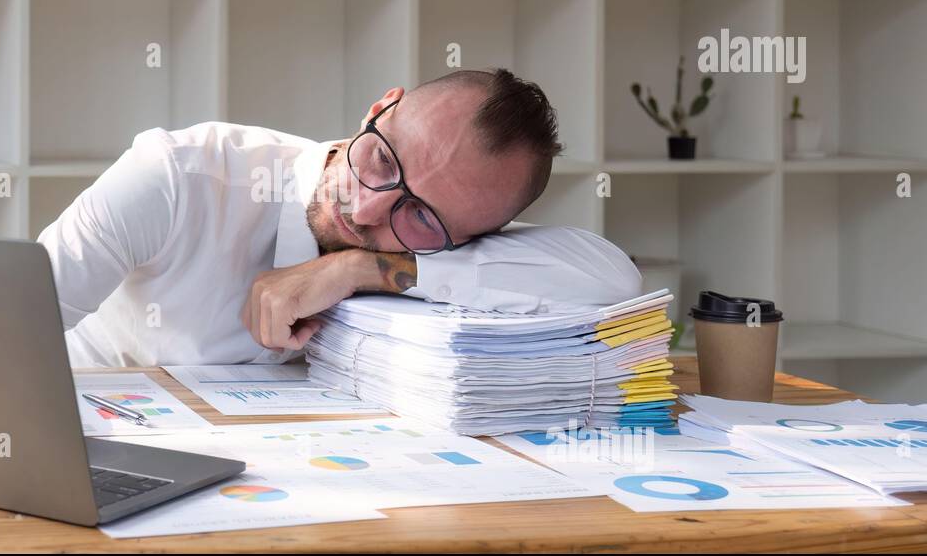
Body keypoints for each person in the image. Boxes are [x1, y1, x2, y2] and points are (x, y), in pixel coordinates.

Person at [38, 68, 641, 368]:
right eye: (382, 159)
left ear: (470, 236)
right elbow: (7, 319)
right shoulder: (180, 175)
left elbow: (614, 281)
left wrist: (365, 268)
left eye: (420, 216)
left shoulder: (435, 249)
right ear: (380, 108)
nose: (369, 208)